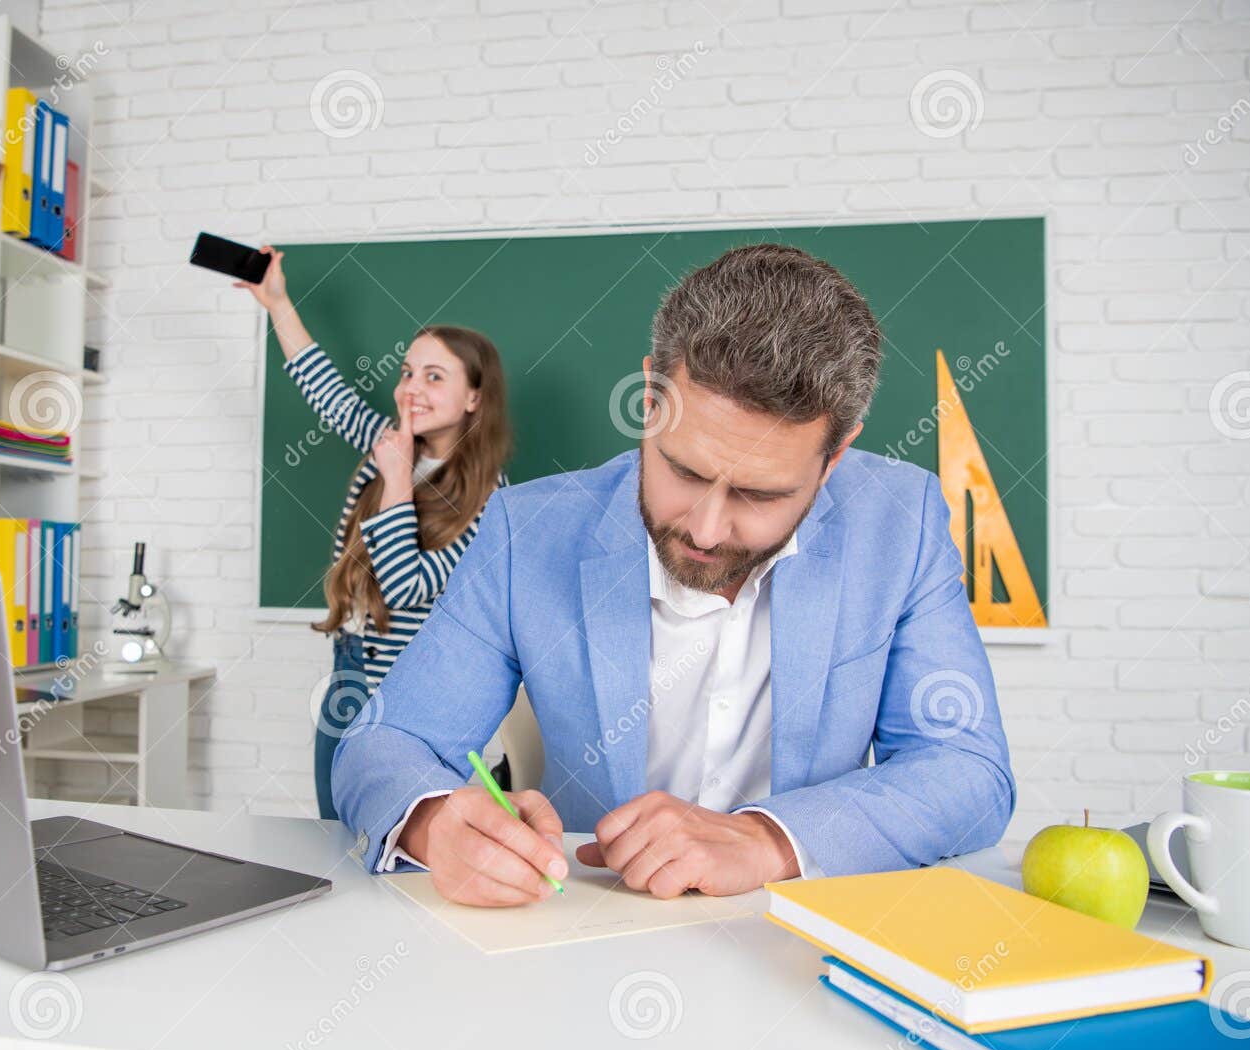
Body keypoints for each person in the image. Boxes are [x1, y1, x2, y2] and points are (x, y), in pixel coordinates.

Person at [331, 242, 1014, 906]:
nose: (707, 529)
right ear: (651, 397)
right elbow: (386, 741)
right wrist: (432, 821)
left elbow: (968, 768)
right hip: (585, 936)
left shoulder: (900, 519)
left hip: (802, 945)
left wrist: (766, 839)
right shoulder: (525, 530)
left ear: (834, 457)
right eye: (684, 470)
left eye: (761, 494)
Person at [236, 247, 512, 820]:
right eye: (407, 372)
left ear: (474, 398)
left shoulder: (493, 497)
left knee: (393, 835)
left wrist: (395, 482)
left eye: (434, 376)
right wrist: (277, 303)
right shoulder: (390, 444)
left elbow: (406, 583)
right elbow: (326, 392)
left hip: (417, 687)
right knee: (333, 827)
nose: (411, 387)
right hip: (351, 666)